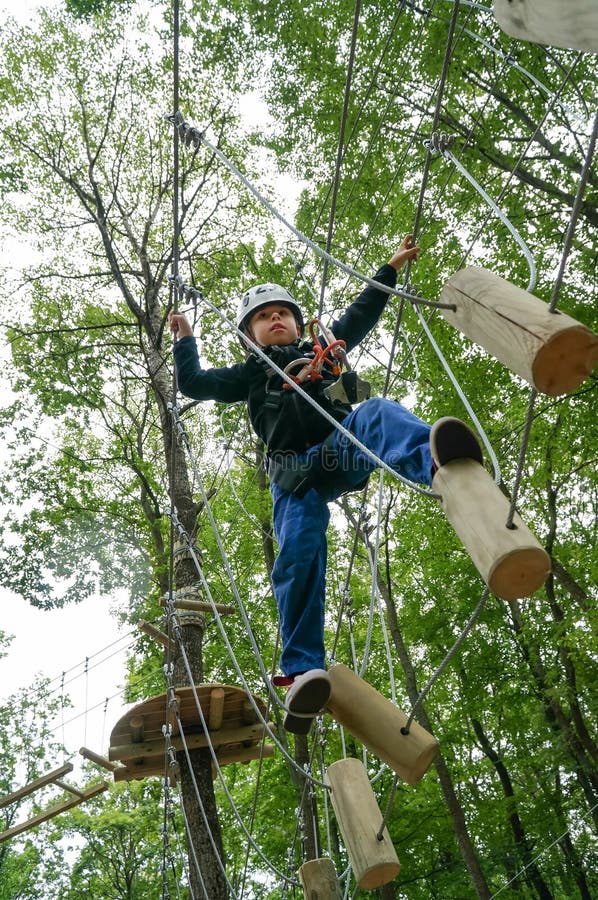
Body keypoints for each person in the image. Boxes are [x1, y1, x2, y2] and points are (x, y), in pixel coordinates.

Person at [169, 236, 483, 733]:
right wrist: (185, 338)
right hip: (294, 475)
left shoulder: (321, 350)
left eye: (283, 314)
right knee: (296, 553)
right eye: (263, 317)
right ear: (250, 336)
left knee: (376, 412)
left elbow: (357, 317)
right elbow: (194, 383)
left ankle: (438, 463)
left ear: (297, 322)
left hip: (338, 449)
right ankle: (301, 671)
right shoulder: (250, 376)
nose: (276, 320)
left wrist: (389, 269)